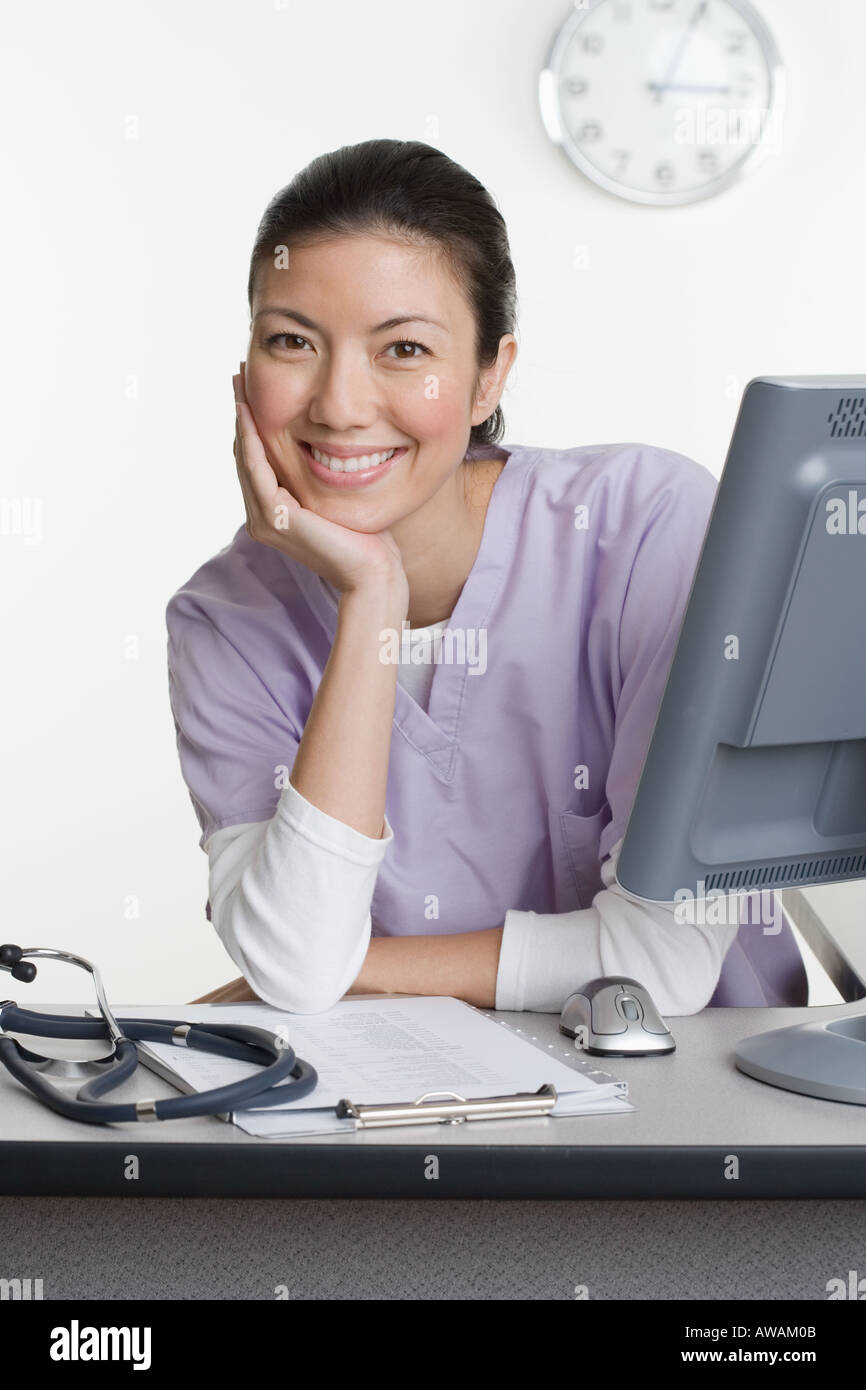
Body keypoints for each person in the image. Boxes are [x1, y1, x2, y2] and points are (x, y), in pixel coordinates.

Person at [166, 138, 808, 1015]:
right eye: (292, 341)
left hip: (690, 1087)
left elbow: (658, 962)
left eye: (402, 349)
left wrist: (348, 971)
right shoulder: (225, 619)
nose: (340, 405)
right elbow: (296, 957)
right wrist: (372, 597)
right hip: (400, 1092)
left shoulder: (649, 527)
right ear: (245, 374)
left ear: (487, 378)